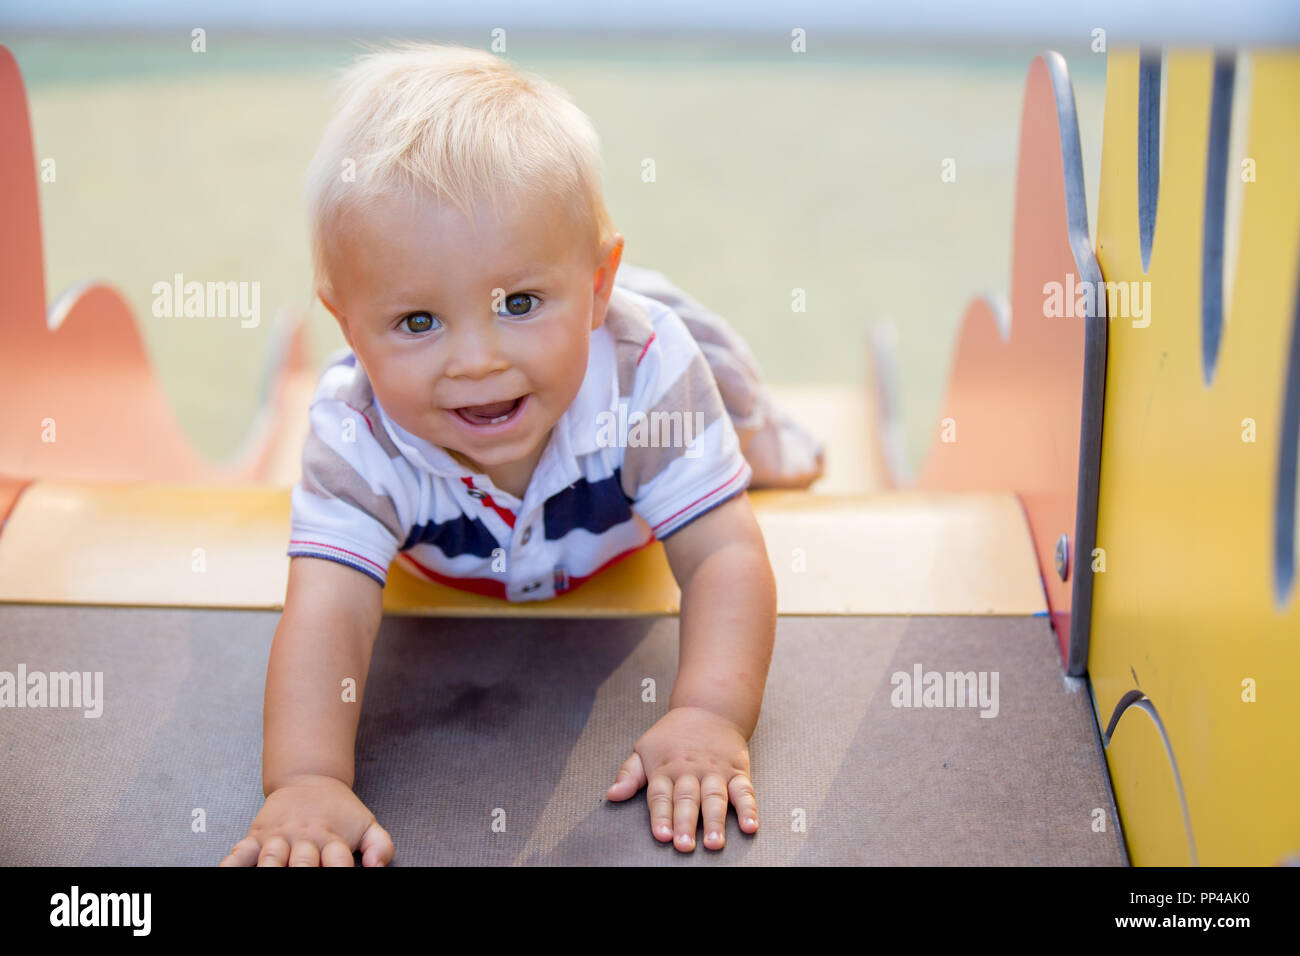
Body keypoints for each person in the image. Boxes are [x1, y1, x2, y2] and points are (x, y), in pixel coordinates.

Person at [221, 40, 824, 866]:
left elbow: (722, 554)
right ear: (348, 327)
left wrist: (711, 715)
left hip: (646, 387)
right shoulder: (356, 429)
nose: (476, 361)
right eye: (417, 322)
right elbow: (329, 610)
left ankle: (764, 433)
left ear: (598, 284)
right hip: (505, 479)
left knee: (740, 423)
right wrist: (303, 779)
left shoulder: (646, 370)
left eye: (519, 302)